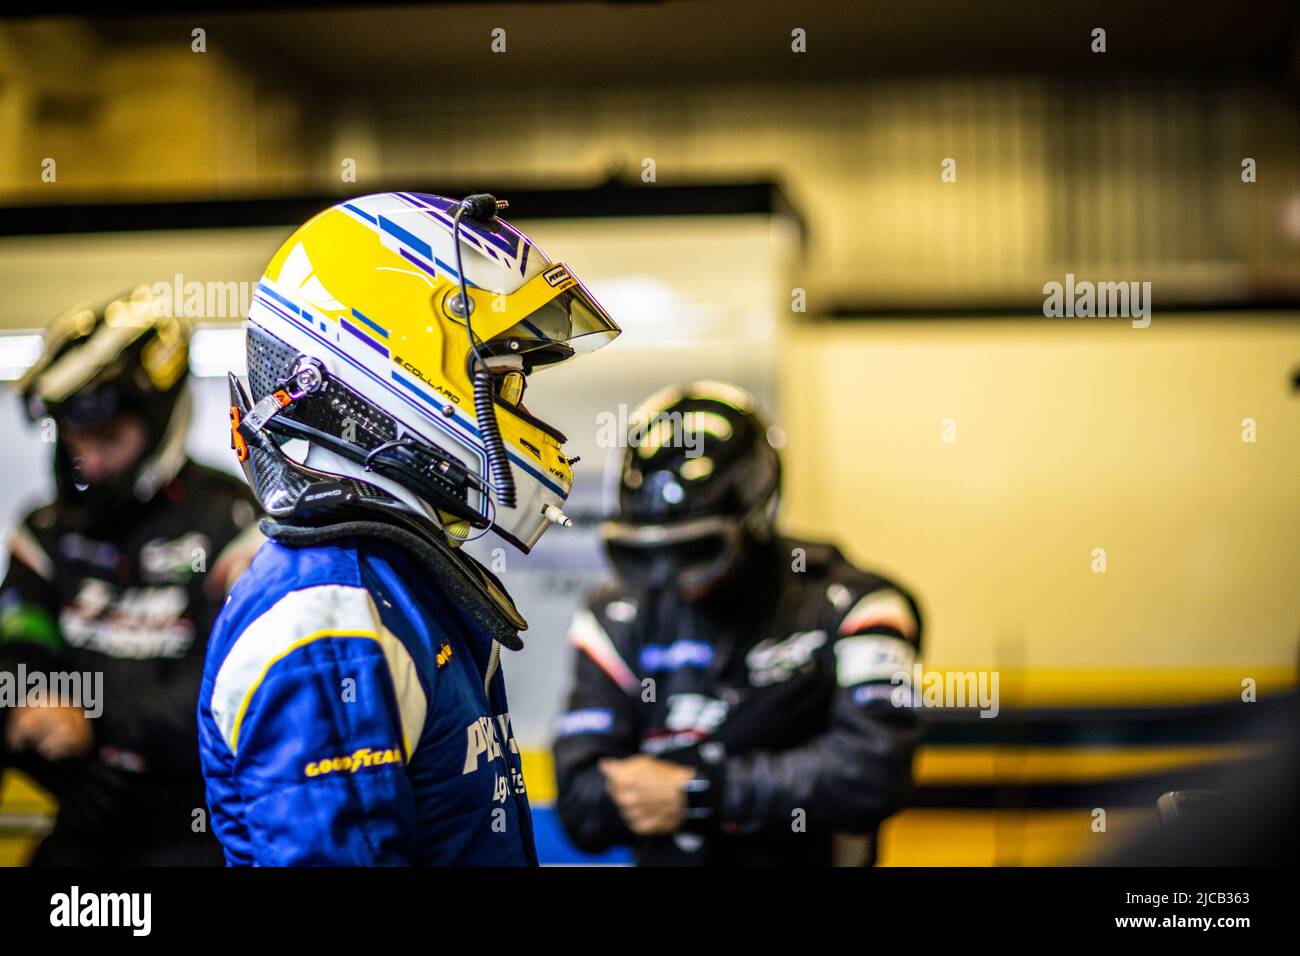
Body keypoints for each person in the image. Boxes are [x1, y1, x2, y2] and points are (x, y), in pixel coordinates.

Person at [198, 191, 620, 865]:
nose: (518, 411)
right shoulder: (328, 618)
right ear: (394, 360)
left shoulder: (400, 580)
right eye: (501, 384)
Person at [553, 381, 924, 865]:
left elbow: (870, 774)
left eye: (697, 551)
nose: (675, 578)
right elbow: (582, 807)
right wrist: (767, 771)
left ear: (756, 519)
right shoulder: (616, 615)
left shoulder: (857, 604)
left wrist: (699, 790)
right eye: (651, 554)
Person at [0, 288, 261, 866]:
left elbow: (228, 694)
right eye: (73, 441)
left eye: (108, 440)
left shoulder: (234, 522)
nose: (86, 462)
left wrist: (92, 719)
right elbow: (14, 660)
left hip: (201, 834)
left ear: (161, 420)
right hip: (82, 815)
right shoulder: (43, 530)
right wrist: (33, 724)